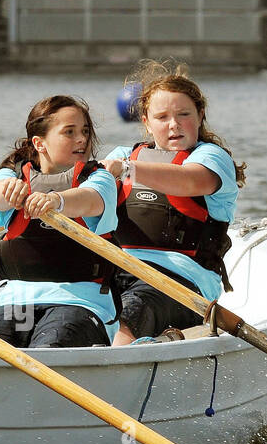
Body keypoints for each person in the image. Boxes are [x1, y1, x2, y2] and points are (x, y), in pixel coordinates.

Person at [102, 60, 246, 346]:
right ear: (146, 121)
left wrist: (127, 170)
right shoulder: (122, 155)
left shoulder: (211, 158)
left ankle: (117, 360)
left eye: (184, 114)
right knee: (83, 308)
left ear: (200, 115)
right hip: (118, 272)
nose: (174, 125)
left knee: (126, 314)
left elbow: (190, 181)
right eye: (162, 117)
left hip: (184, 286)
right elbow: (86, 197)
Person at [0, 95, 119, 348]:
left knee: (49, 347)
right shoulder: (9, 175)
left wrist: (56, 201)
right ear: (39, 143)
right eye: (70, 132)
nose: (82, 139)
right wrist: (8, 191)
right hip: (13, 303)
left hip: (80, 304)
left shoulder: (100, 178)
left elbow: (91, 200)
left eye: (85, 131)